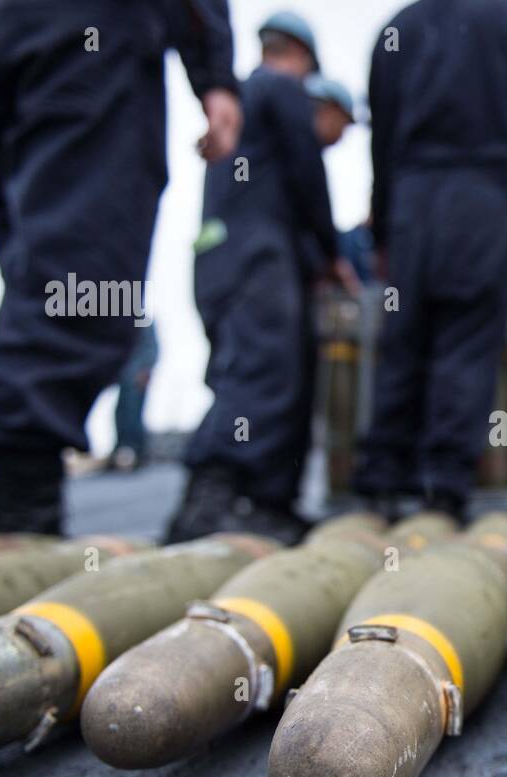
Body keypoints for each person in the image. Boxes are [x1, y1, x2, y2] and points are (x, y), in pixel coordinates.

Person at [0, 0, 240, 534]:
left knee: (37, 259)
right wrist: (214, 73)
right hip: (90, 28)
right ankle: (23, 514)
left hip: (3, 31)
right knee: (83, 276)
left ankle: (21, 491)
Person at [355, 0, 507, 521]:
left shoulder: (396, 30)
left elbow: (380, 145)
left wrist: (385, 228)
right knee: (466, 345)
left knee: (403, 340)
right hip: (480, 201)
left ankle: (382, 482)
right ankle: (441, 487)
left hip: (410, 208)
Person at [167, 14, 357, 544]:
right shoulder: (280, 87)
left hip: (220, 259)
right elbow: (307, 176)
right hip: (257, 260)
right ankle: (209, 501)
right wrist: (330, 252)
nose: (338, 140)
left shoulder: (242, 105)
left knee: (256, 371)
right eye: (339, 125)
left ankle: (267, 503)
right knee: (262, 373)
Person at [110, 322, 158, 472]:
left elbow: (151, 346)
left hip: (136, 376)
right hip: (126, 376)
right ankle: (121, 451)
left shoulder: (141, 319)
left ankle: (136, 452)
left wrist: (146, 369)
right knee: (122, 413)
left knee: (133, 415)